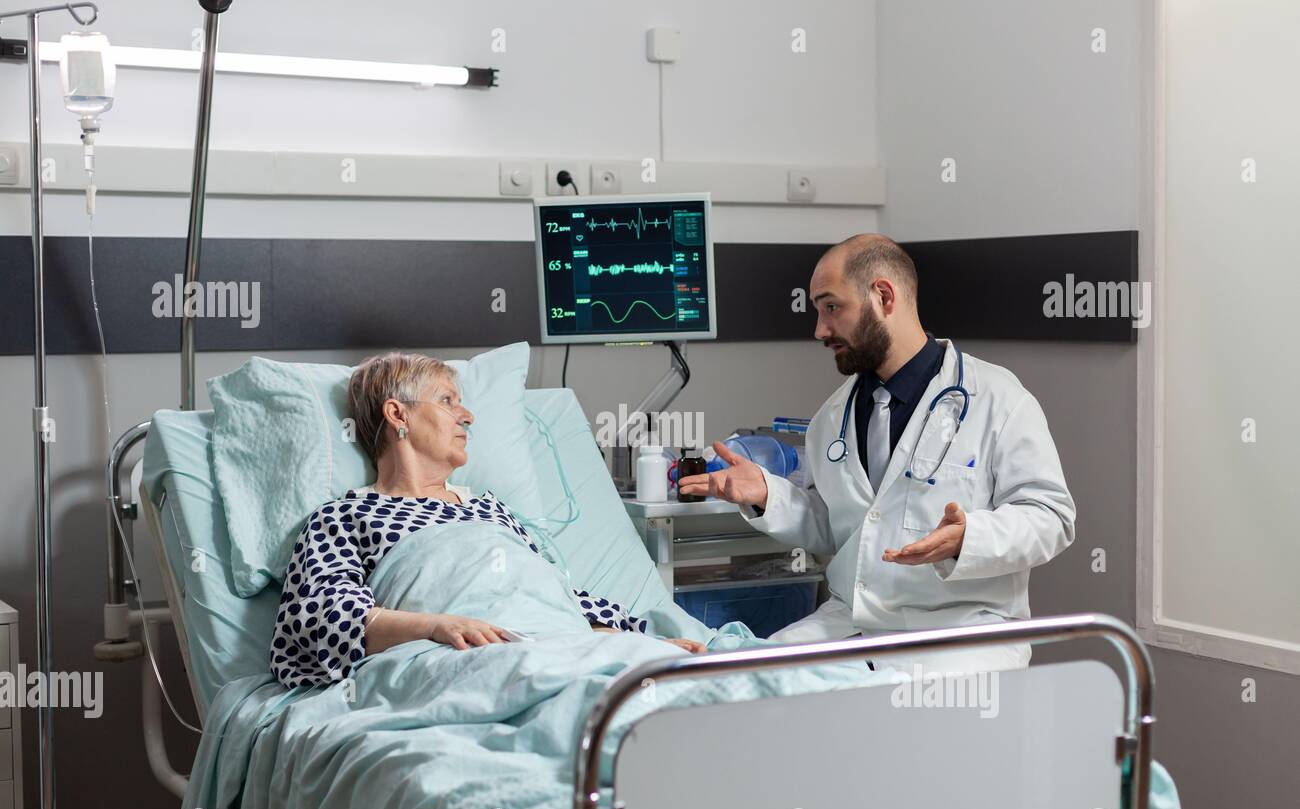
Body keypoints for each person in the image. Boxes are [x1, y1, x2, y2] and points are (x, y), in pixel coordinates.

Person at [678, 234, 1076, 672]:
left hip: (959, 634)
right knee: (743, 677)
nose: (819, 329)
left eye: (831, 307)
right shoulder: (833, 416)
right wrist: (768, 495)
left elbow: (1050, 516)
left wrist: (969, 538)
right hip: (852, 623)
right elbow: (841, 528)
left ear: (883, 296)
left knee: (872, 715)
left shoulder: (998, 400)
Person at [272, 352, 703, 688]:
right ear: (397, 414)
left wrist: (632, 639)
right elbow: (321, 621)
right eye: (447, 401)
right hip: (466, 658)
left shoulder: (490, 509)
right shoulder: (345, 516)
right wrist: (440, 627)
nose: (468, 416)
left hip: (564, 646)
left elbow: (556, 597)